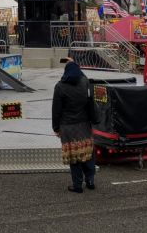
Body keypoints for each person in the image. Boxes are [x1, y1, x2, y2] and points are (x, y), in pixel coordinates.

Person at [52, 61, 97, 193]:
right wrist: (94, 120)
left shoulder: (60, 86)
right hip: (84, 125)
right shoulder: (85, 82)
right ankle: (90, 180)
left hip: (68, 127)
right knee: (88, 154)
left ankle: (77, 185)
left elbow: (56, 110)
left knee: (74, 157)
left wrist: (56, 127)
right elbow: (91, 104)